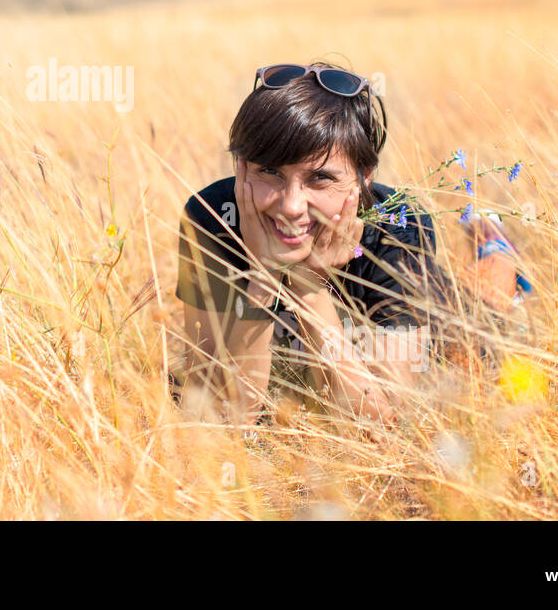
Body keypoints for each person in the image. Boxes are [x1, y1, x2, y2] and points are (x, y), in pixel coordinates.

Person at [171, 62, 525, 426]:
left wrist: (309, 285)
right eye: (271, 172)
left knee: (489, 297)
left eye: (320, 178)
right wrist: (264, 275)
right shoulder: (213, 218)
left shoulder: (393, 225)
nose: (291, 206)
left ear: (363, 178)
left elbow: (380, 419)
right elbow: (218, 413)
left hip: (444, 316)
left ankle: (491, 238)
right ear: (241, 166)